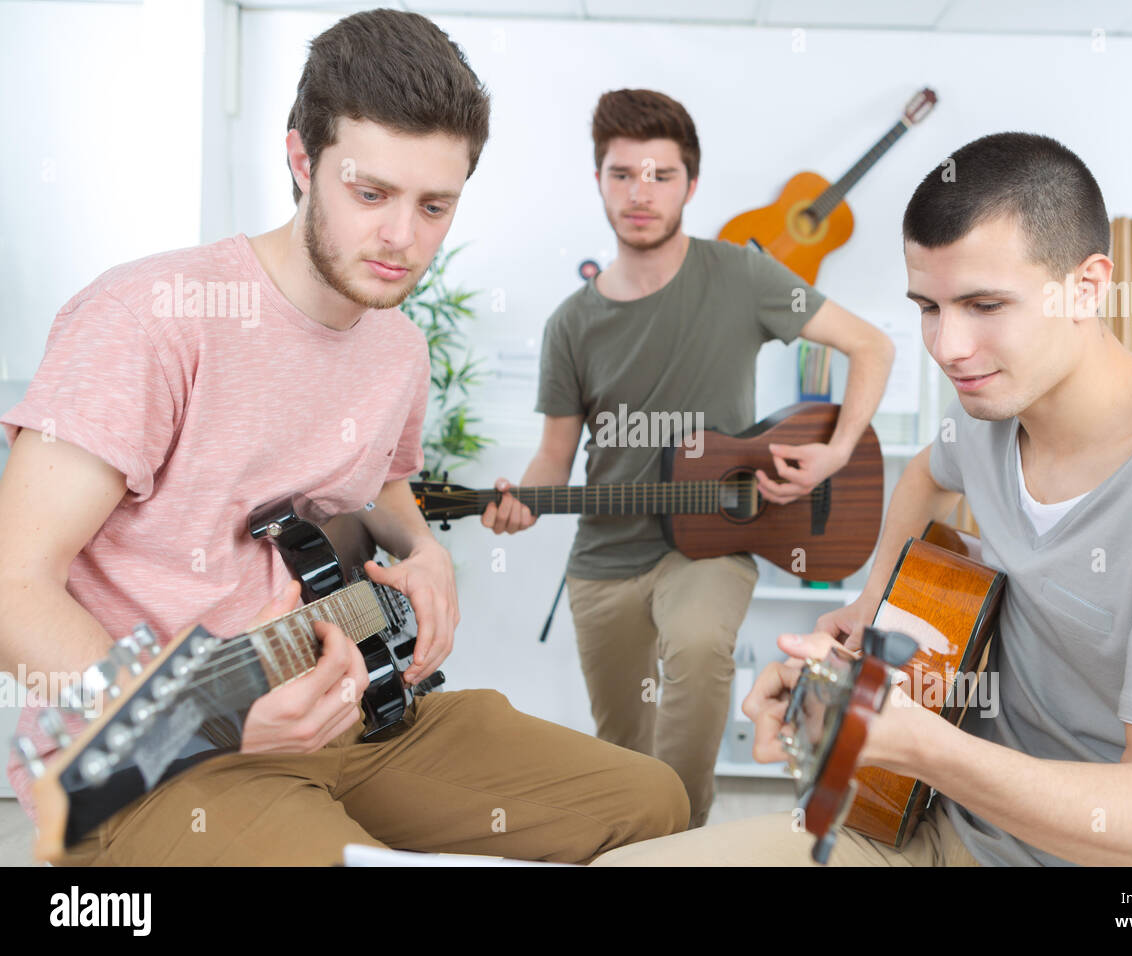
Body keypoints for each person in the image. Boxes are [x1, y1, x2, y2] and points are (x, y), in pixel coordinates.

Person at [0, 9, 687, 866]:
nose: (403, 238)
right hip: (159, 765)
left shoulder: (396, 344)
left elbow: (377, 485)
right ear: (300, 160)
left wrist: (424, 552)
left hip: (358, 714)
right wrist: (208, 717)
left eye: (435, 205)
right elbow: (13, 586)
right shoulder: (147, 318)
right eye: (371, 194)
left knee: (652, 803)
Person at [591, 131, 1132, 866]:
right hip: (946, 825)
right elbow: (926, 474)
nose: (948, 346)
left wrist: (923, 745)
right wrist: (872, 614)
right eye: (928, 306)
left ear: (1088, 286)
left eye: (984, 304)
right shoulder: (996, 410)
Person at [481, 88, 897, 829]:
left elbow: (873, 344)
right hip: (605, 560)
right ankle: (638, 841)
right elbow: (554, 456)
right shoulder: (570, 325)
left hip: (713, 544)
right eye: (622, 174)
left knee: (701, 650)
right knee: (623, 751)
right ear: (599, 180)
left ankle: (681, 844)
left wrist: (835, 453)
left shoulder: (742, 275)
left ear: (690, 186)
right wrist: (521, 499)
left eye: (660, 175)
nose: (640, 193)